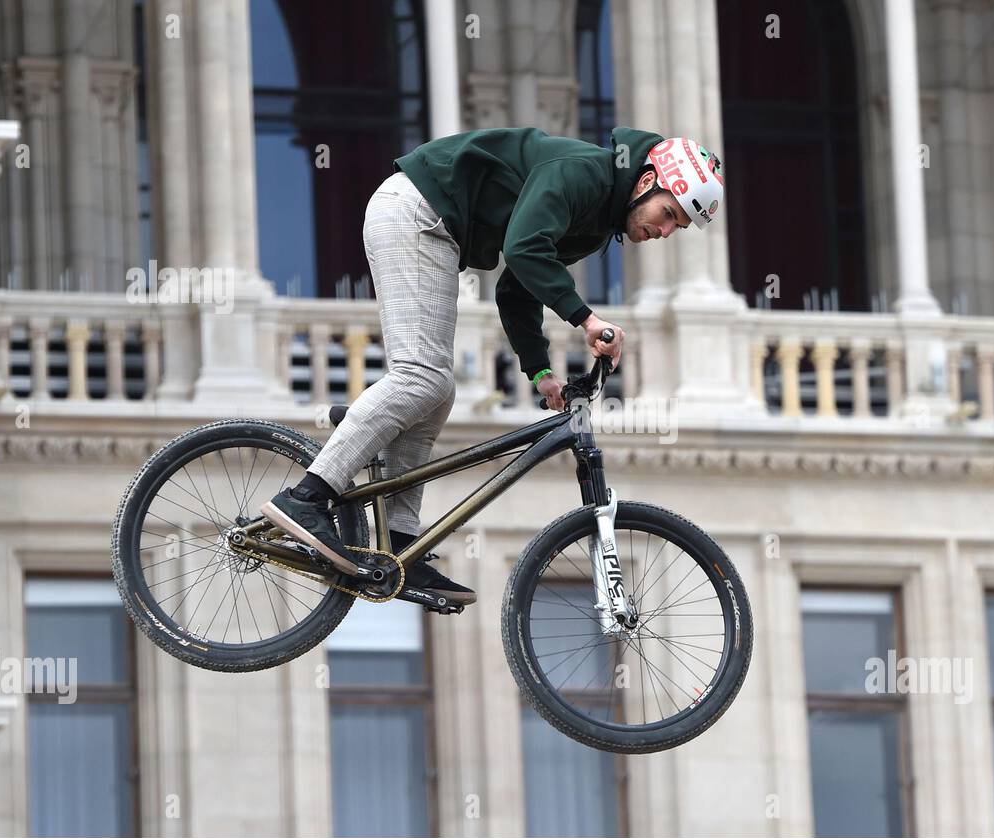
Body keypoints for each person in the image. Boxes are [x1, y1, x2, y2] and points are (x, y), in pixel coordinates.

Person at [262, 127, 726, 604]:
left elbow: (516, 286)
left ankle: (400, 545)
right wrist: (584, 319)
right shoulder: (583, 173)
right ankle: (307, 498)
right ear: (647, 180)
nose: (665, 231)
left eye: (678, 227)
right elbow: (525, 248)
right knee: (421, 377)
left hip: (434, 230)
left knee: (436, 393)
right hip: (415, 212)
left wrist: (542, 374)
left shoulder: (598, 220)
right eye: (669, 214)